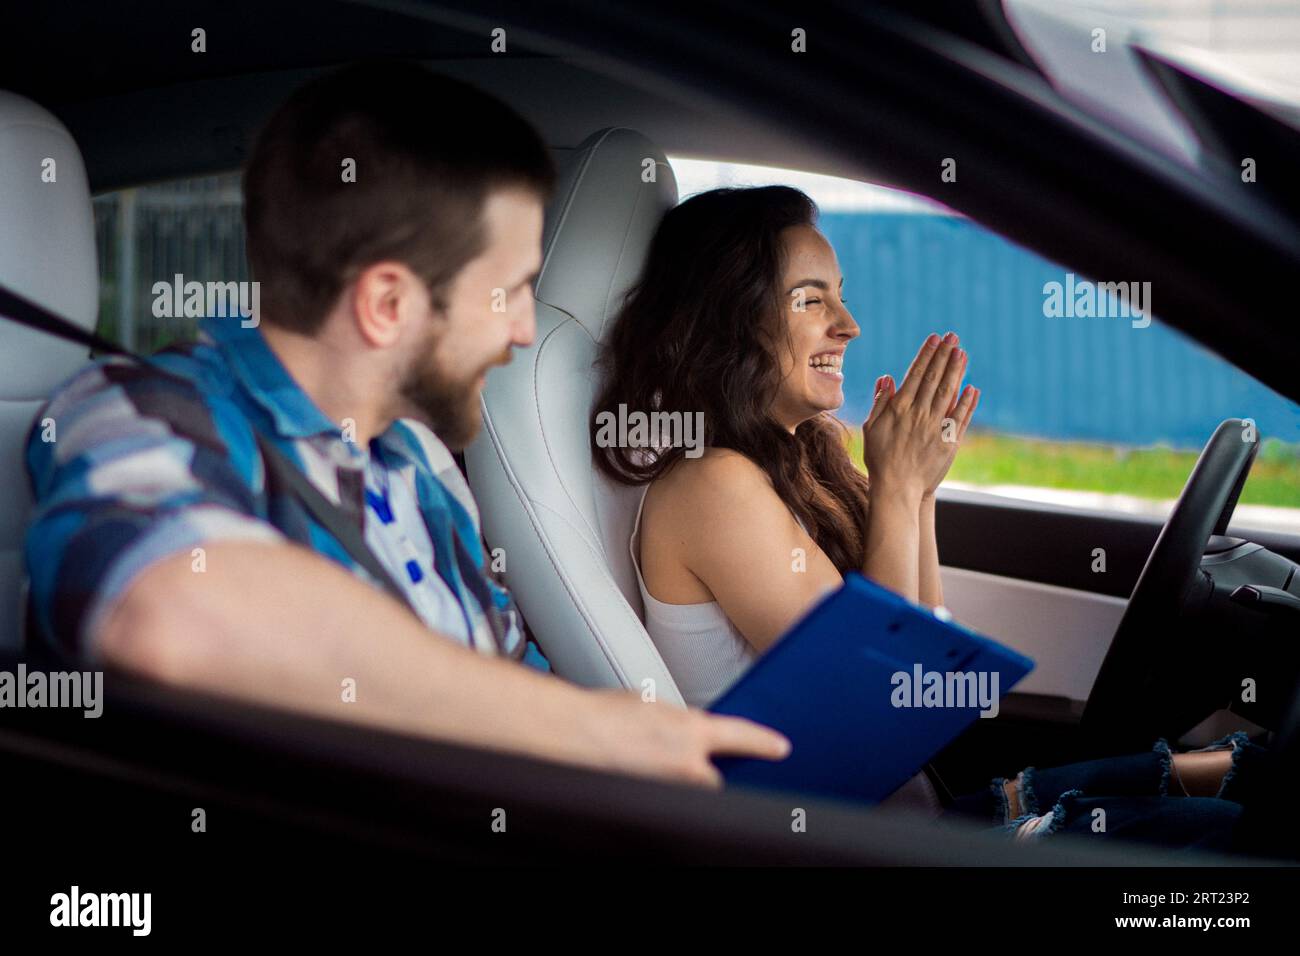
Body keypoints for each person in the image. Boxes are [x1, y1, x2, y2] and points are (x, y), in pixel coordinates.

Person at [23, 62, 790, 788]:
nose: (524, 330)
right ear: (388, 304)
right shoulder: (139, 411)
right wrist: (590, 728)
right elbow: (169, 614)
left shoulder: (417, 460)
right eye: (511, 292)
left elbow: (497, 678)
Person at [591, 184, 1266, 846]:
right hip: (863, 843)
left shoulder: (789, 462)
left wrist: (920, 492)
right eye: (811, 300)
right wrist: (895, 486)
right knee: (1229, 832)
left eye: (841, 295)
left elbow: (925, 679)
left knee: (1248, 775)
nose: (847, 325)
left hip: (925, 813)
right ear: (728, 320)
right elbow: (880, 710)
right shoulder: (711, 485)